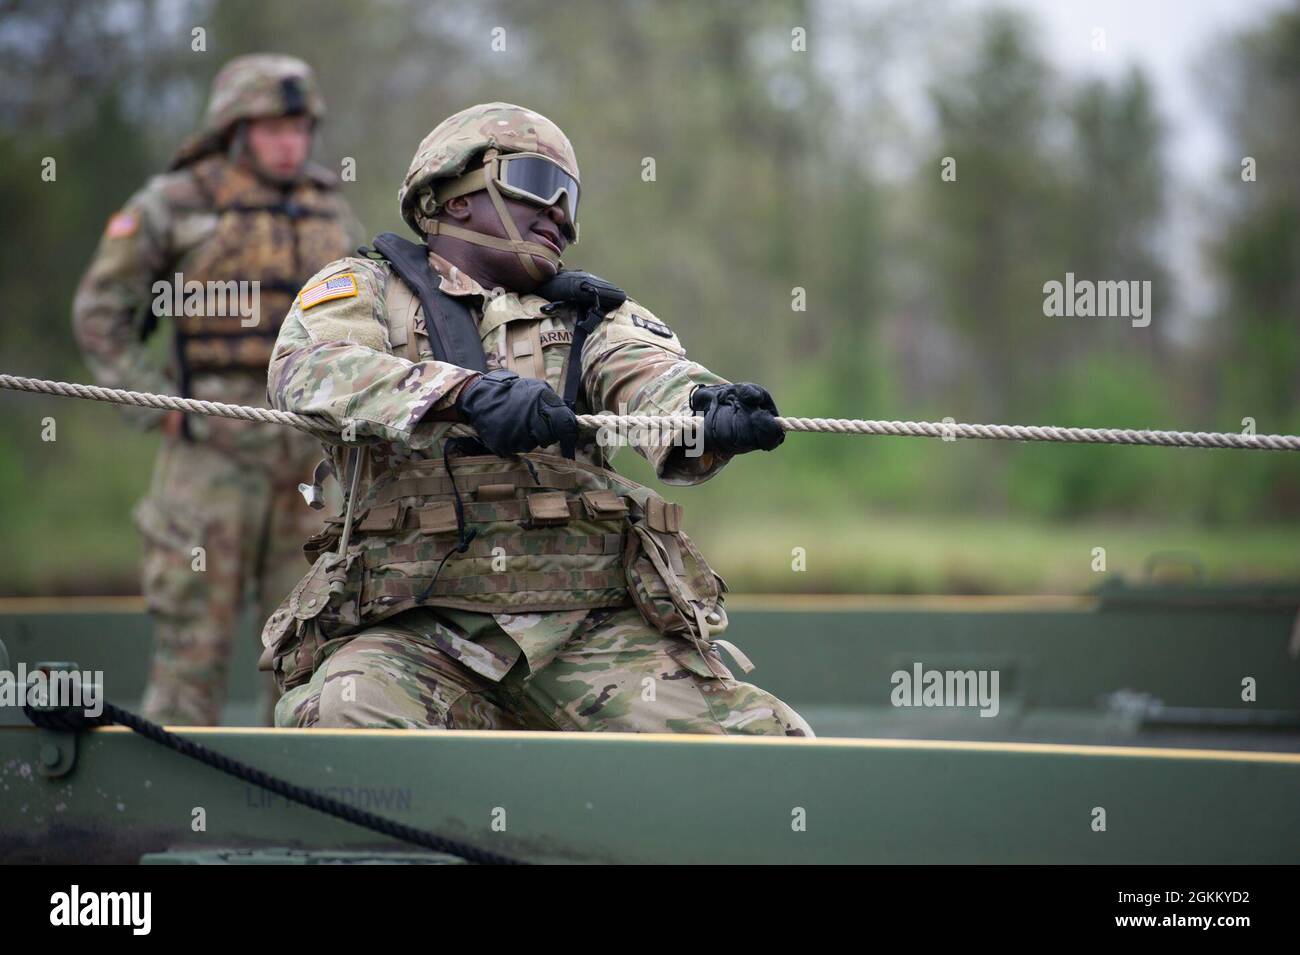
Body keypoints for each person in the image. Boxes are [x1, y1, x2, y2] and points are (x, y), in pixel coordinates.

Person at [264, 102, 812, 736]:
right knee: (344, 712)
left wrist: (706, 410)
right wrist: (464, 397)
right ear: (453, 196)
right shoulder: (364, 291)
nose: (559, 213)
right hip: (410, 631)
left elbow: (648, 376)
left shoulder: (592, 318)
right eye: (538, 183)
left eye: (570, 199)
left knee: (756, 741)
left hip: (587, 632)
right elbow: (306, 371)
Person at [72, 54, 362, 725]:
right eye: (273, 128)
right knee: (190, 645)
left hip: (306, 462)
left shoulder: (328, 208)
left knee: (310, 642)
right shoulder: (174, 204)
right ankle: (177, 811)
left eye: (299, 127)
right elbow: (99, 312)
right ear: (236, 128)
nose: (290, 142)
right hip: (208, 451)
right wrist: (152, 405)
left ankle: (302, 800)